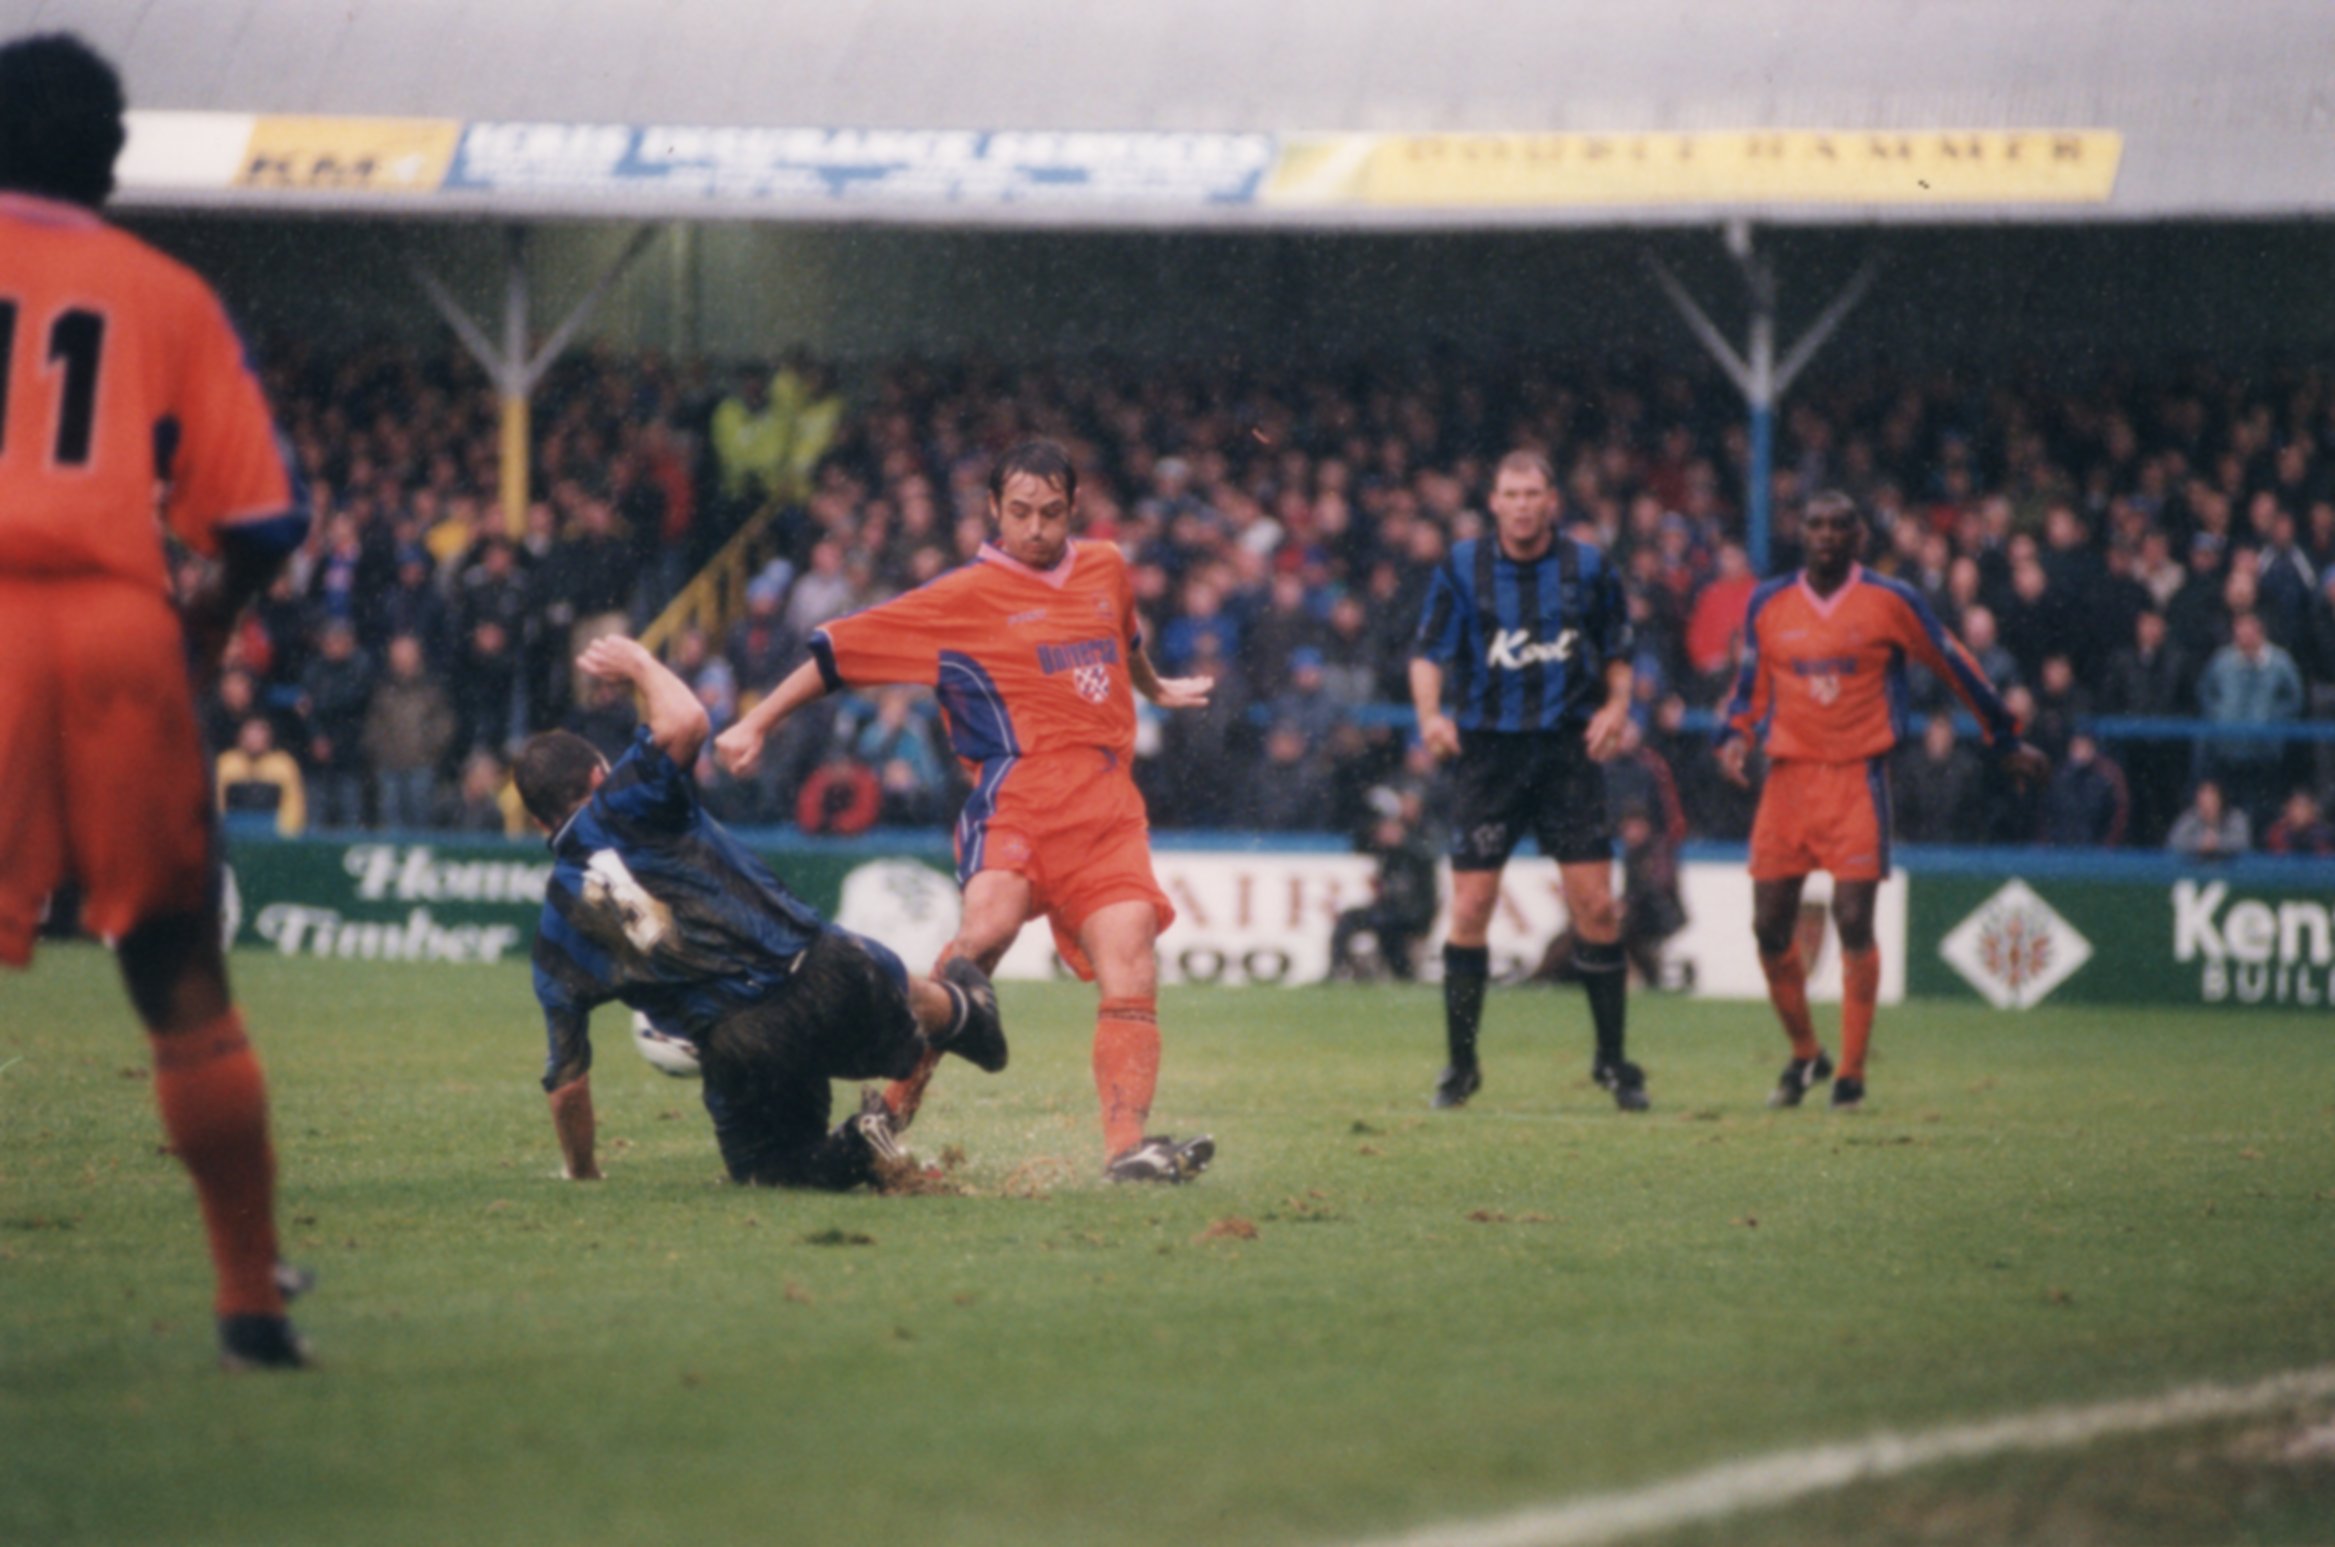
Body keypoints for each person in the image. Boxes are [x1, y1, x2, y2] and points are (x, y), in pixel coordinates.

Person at [0, 32, 313, 1370]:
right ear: (115, 162)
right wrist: (192, 630)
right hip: (119, 622)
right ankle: (248, 1296)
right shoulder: (160, 291)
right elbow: (261, 516)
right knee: (176, 963)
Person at [716, 439, 1218, 1183]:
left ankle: (1125, 1151)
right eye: (1019, 512)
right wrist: (756, 722)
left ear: (1073, 508)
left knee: (1132, 964)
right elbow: (834, 656)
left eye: (1051, 512)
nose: (1036, 528)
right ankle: (883, 1119)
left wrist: (1154, 687)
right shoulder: (959, 598)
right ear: (992, 509)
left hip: (1109, 808)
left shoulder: (1107, 566)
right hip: (1016, 802)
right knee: (980, 939)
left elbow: (1125, 636)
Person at [515, 636, 1007, 1191]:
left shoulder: (557, 932)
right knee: (899, 997)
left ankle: (861, 1142)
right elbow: (686, 720)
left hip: (744, 1045)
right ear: (598, 778)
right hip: (825, 972)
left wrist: (582, 1170)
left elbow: (568, 1083)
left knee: (774, 1173)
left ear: (537, 823)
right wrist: (638, 662)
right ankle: (967, 1011)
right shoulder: (626, 798)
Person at [1718, 491, 2046, 1112]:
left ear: (1858, 536)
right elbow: (1749, 685)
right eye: (1815, 524)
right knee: (1767, 927)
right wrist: (1735, 735)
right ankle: (1803, 1053)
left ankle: (1851, 1073)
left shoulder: (1891, 601)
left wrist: (2003, 735)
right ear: (1801, 533)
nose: (1825, 536)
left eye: (1839, 526)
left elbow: (1953, 662)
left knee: (1851, 919)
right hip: (1787, 778)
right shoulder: (1770, 601)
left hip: (1855, 778)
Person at [1409, 450, 1645, 1113]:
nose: (1519, 503)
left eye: (1531, 492)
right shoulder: (1461, 565)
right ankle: (1460, 1067)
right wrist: (1429, 717)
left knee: (1596, 907)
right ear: (1493, 501)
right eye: (1508, 492)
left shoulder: (1589, 566)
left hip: (1566, 754)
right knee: (1469, 908)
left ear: (1551, 501)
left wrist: (1616, 707)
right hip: (1489, 757)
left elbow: (1620, 649)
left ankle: (1612, 1061)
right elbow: (1428, 652)